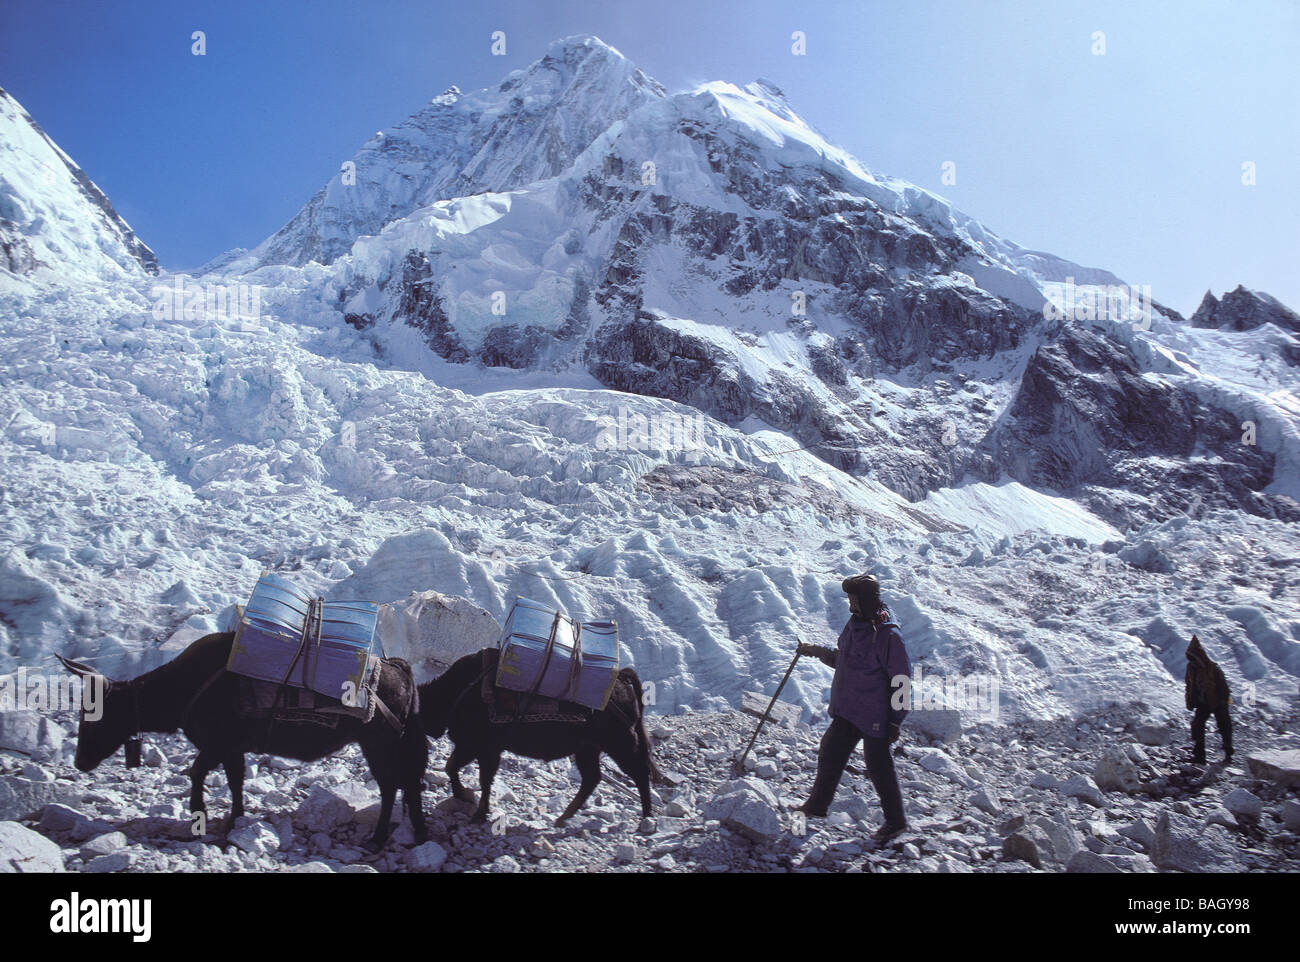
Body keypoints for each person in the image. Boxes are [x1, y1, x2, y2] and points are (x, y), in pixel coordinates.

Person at [797, 573, 911, 842]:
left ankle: (896, 823)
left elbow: (902, 682)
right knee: (830, 752)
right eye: (850, 598)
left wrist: (895, 721)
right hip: (849, 708)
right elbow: (844, 660)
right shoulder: (856, 625)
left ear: (867, 600)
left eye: (854, 599)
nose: (851, 604)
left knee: (878, 766)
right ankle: (817, 806)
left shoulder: (887, 635)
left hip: (876, 714)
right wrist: (814, 650)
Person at [1185, 634, 1233, 764]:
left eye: (1193, 659)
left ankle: (1228, 750)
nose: (1192, 662)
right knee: (1197, 725)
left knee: (1224, 725)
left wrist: (1225, 702)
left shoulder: (1213, 668)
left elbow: (1224, 687)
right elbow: (1189, 685)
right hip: (1203, 702)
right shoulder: (1191, 669)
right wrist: (1190, 700)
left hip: (1218, 701)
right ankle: (1199, 755)